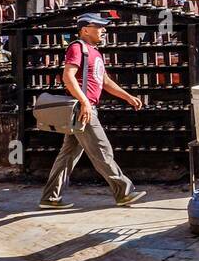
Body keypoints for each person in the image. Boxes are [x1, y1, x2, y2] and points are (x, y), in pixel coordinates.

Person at [40, 12, 147, 211]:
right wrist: (84, 102)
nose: (103, 30)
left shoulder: (94, 52)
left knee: (67, 156)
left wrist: (128, 97)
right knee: (102, 149)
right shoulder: (77, 47)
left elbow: (105, 82)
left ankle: (50, 197)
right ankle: (124, 191)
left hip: (85, 108)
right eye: (99, 26)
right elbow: (68, 76)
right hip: (83, 110)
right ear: (85, 29)